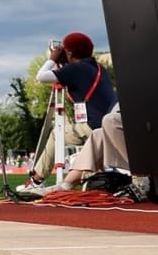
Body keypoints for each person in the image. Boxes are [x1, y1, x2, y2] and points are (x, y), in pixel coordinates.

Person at [21, 32, 116, 194]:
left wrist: (52, 58)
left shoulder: (76, 69)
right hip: (108, 122)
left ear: (69, 53)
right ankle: (91, 182)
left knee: (56, 134)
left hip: (94, 124)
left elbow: (41, 77)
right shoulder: (98, 68)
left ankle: (36, 179)